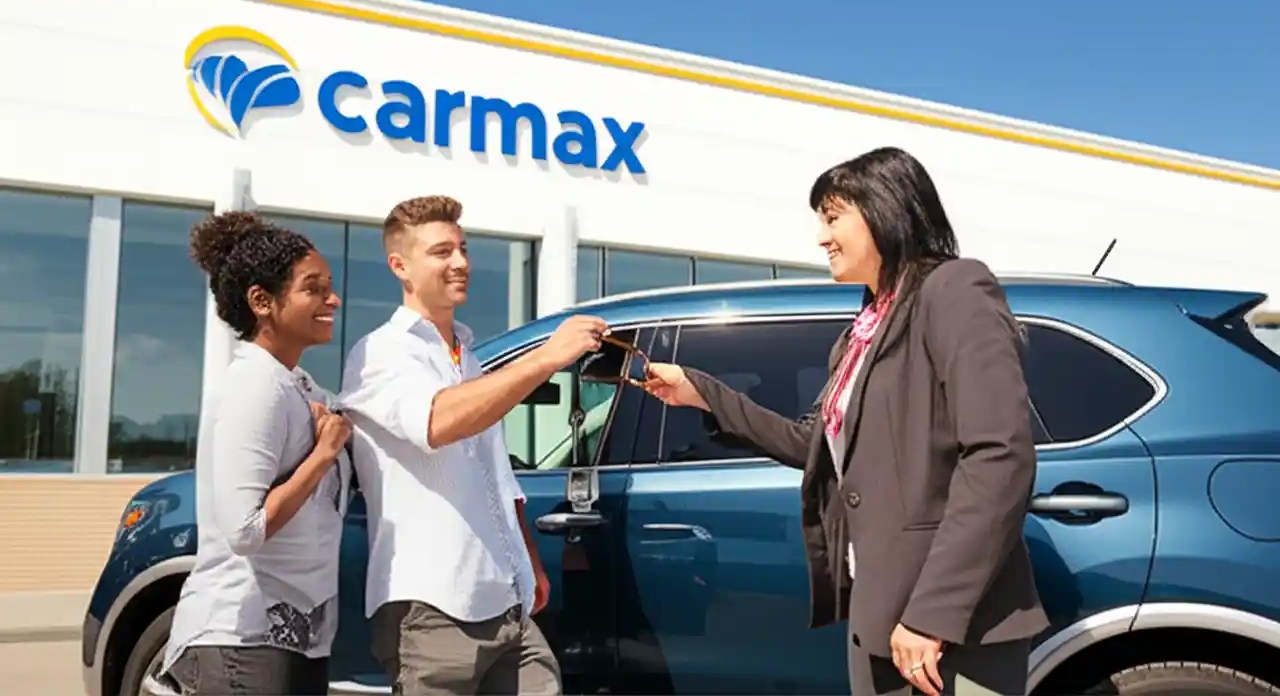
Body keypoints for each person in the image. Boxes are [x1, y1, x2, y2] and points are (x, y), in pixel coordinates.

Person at [641, 147, 1049, 695]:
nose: (820, 237)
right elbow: (815, 442)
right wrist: (704, 395)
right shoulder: (862, 330)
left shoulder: (953, 290)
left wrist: (932, 613)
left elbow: (1000, 455)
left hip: (950, 629)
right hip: (881, 611)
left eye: (833, 216)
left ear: (886, 209)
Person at [337, 195, 606, 695]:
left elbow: (494, 473)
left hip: (506, 598)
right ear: (400, 266)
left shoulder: (467, 354)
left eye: (462, 248)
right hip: (434, 605)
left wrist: (526, 560)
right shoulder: (380, 352)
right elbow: (437, 421)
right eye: (441, 252)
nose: (460, 262)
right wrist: (546, 359)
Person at [154, 211, 353, 696]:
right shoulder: (254, 386)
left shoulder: (297, 385)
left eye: (329, 285)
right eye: (314, 288)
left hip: (294, 641)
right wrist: (322, 456)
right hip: (240, 641)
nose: (333, 299)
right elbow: (245, 531)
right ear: (262, 301)